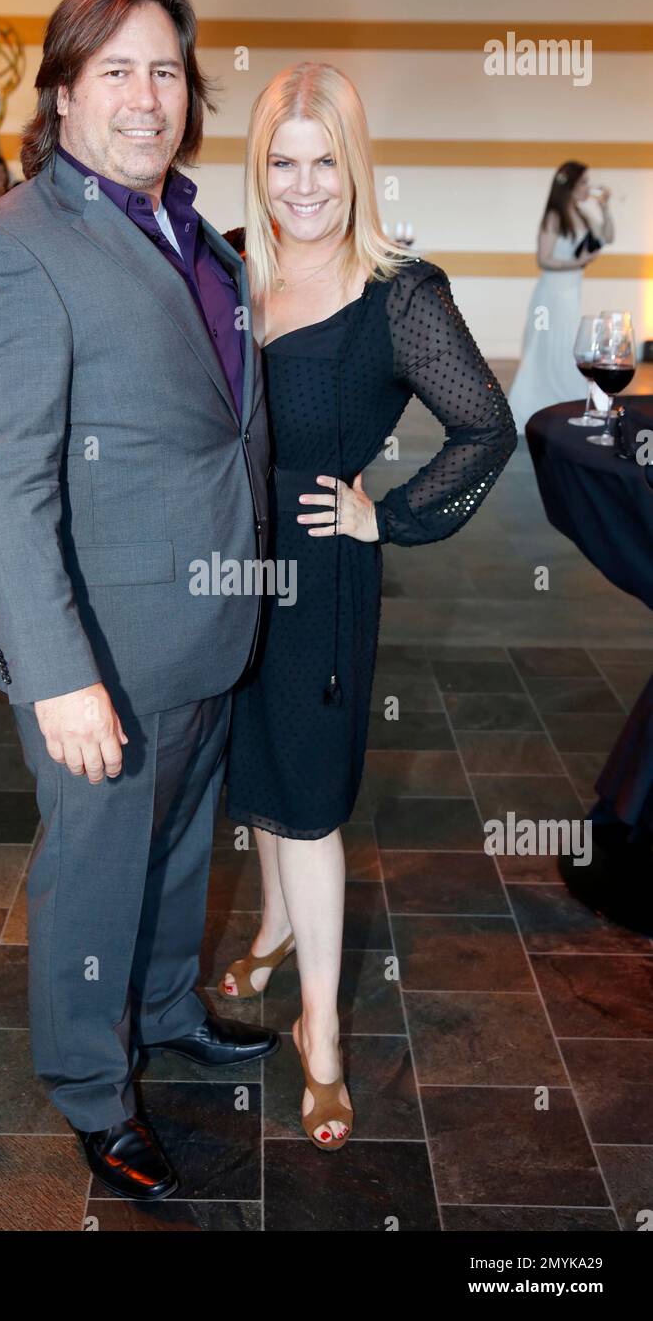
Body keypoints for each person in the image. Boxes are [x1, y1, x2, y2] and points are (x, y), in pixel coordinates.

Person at [0, 0, 276, 1203]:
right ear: (65, 94)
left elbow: (223, 423)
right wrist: (61, 672)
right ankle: (91, 1082)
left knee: (181, 846)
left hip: (203, 625)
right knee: (95, 870)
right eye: (117, 71)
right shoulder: (7, 251)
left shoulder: (196, 234)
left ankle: (169, 1006)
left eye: (167, 71)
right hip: (102, 647)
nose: (147, 97)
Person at [219, 62, 518, 1150]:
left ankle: (322, 1040)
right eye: (281, 163)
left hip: (315, 575)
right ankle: (269, 929)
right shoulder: (225, 268)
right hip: (226, 574)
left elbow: (487, 428)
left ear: (356, 167)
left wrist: (385, 518)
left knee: (310, 801)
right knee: (256, 771)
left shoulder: (397, 294)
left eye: (325, 163)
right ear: (258, 169)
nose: (303, 187)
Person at [507, 162, 614, 434]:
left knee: (568, 349)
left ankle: (565, 403)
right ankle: (535, 407)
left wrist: (604, 207)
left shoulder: (583, 214)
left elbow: (608, 237)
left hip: (571, 292)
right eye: (582, 183)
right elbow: (543, 259)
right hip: (552, 294)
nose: (587, 189)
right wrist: (578, 262)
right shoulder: (554, 217)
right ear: (568, 186)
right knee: (548, 350)